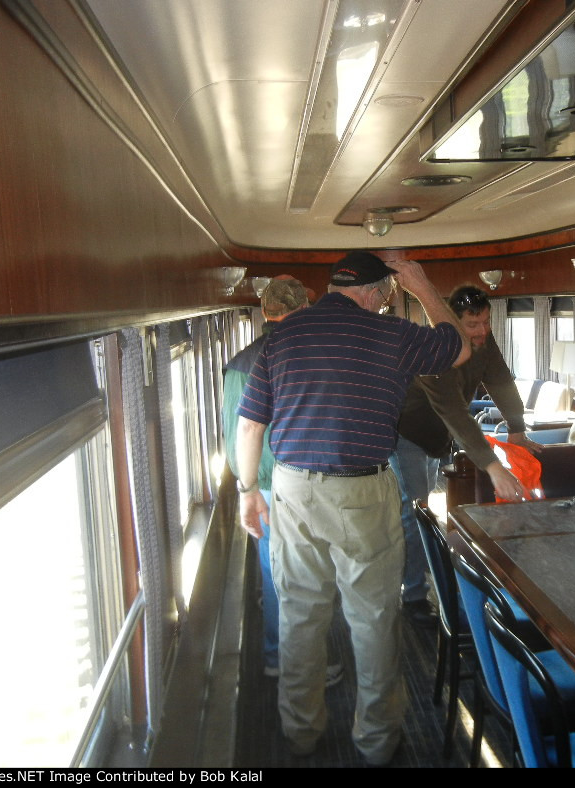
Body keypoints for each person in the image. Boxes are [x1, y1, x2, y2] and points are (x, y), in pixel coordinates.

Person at [235, 250, 469, 766]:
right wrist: (423, 285)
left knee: (299, 614)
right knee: (373, 616)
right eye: (388, 291)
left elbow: (251, 426)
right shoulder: (393, 335)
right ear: (381, 291)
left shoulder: (283, 337)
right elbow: (457, 349)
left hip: (293, 490)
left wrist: (247, 490)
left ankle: (299, 735)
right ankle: (378, 742)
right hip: (363, 490)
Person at [392, 285, 541, 626]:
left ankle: (437, 578)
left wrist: (517, 427)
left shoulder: (484, 344)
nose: (482, 331)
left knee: (426, 508)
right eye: (473, 325)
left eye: (486, 321)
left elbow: (501, 380)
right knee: (414, 513)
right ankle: (414, 595)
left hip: (437, 439)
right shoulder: (431, 350)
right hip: (408, 435)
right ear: (451, 324)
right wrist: (492, 466)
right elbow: (455, 413)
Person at [221, 275, 344, 687]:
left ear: (264, 313)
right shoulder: (318, 355)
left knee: (277, 575)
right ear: (306, 310)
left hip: (262, 486)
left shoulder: (239, 362)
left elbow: (233, 432)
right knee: (312, 576)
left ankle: (278, 656)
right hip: (308, 482)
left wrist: (247, 487)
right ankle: (309, 663)